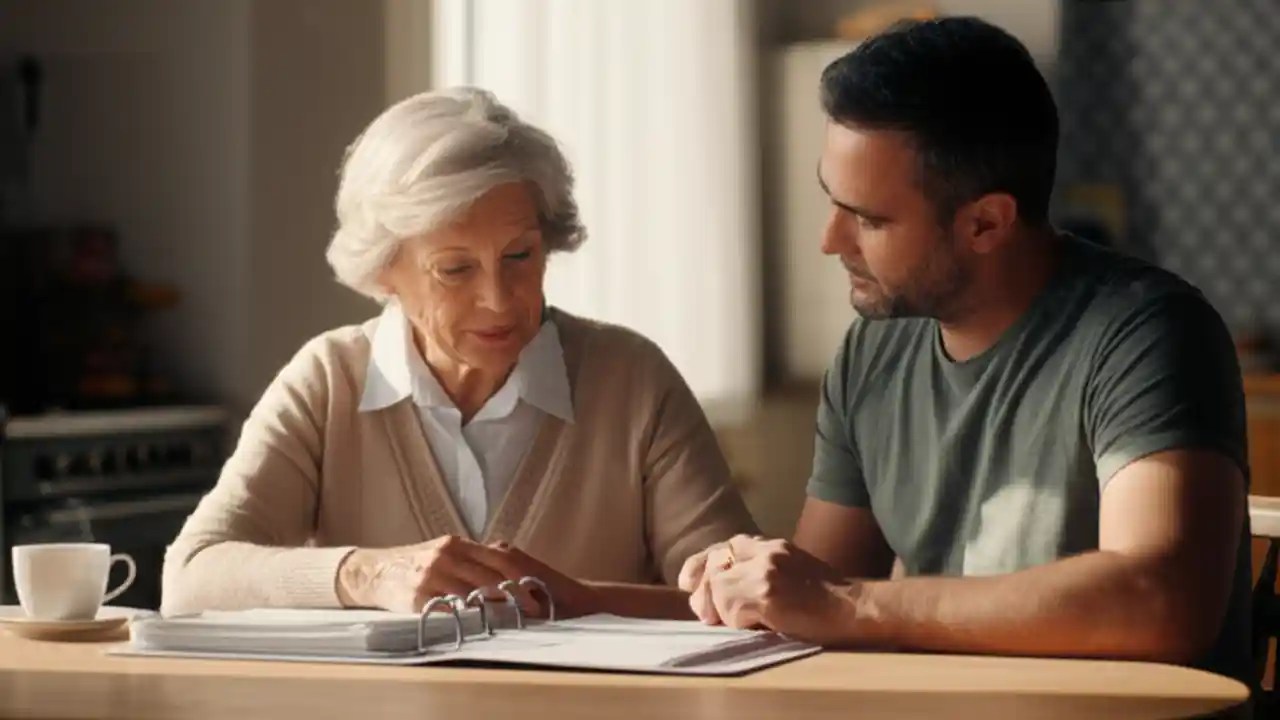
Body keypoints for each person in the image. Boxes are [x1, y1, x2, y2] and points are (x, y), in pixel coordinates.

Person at [680, 17, 1252, 687]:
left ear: (986, 222)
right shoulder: (872, 350)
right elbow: (816, 600)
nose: (830, 240)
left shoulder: (1147, 333)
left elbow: (1162, 602)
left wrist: (852, 604)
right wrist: (730, 590)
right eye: (834, 203)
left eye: (869, 218)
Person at [162, 87, 757, 619]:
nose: (498, 300)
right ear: (384, 269)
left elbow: (740, 599)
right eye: (454, 269)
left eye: (520, 256)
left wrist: (580, 601)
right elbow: (190, 579)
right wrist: (369, 574)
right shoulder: (328, 381)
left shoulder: (631, 379)